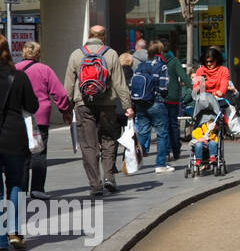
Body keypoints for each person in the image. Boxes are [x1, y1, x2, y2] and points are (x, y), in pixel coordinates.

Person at [63, 25, 133, 197]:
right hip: (107, 104)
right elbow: (119, 83)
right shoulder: (111, 54)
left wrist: (66, 107)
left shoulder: (76, 54)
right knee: (109, 139)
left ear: (89, 35)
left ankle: (95, 184)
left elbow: (69, 84)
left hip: (83, 104)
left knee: (88, 144)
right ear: (104, 37)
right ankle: (109, 177)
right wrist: (127, 105)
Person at [15, 41, 71, 202]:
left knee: (21, 154)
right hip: (40, 116)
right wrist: (64, 110)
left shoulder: (15, 69)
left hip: (20, 117)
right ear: (38, 54)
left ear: (23, 53)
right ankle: (37, 189)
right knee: (39, 152)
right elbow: (59, 93)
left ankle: (21, 189)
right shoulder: (45, 69)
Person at [0, 37, 39, 251]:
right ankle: (14, 232)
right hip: (15, 137)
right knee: (15, 185)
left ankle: (0, 241)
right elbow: (32, 105)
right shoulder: (19, 76)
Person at [133, 40, 173, 174]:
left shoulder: (141, 65)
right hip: (156, 102)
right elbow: (164, 87)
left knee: (143, 132)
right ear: (160, 51)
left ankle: (132, 161)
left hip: (141, 103)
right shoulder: (162, 66)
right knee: (161, 133)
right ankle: (160, 164)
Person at [161, 39, 186, 160]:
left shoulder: (155, 61)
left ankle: (165, 151)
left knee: (163, 125)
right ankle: (176, 149)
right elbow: (184, 77)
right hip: (173, 97)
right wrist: (198, 90)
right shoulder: (174, 61)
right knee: (173, 124)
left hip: (160, 97)